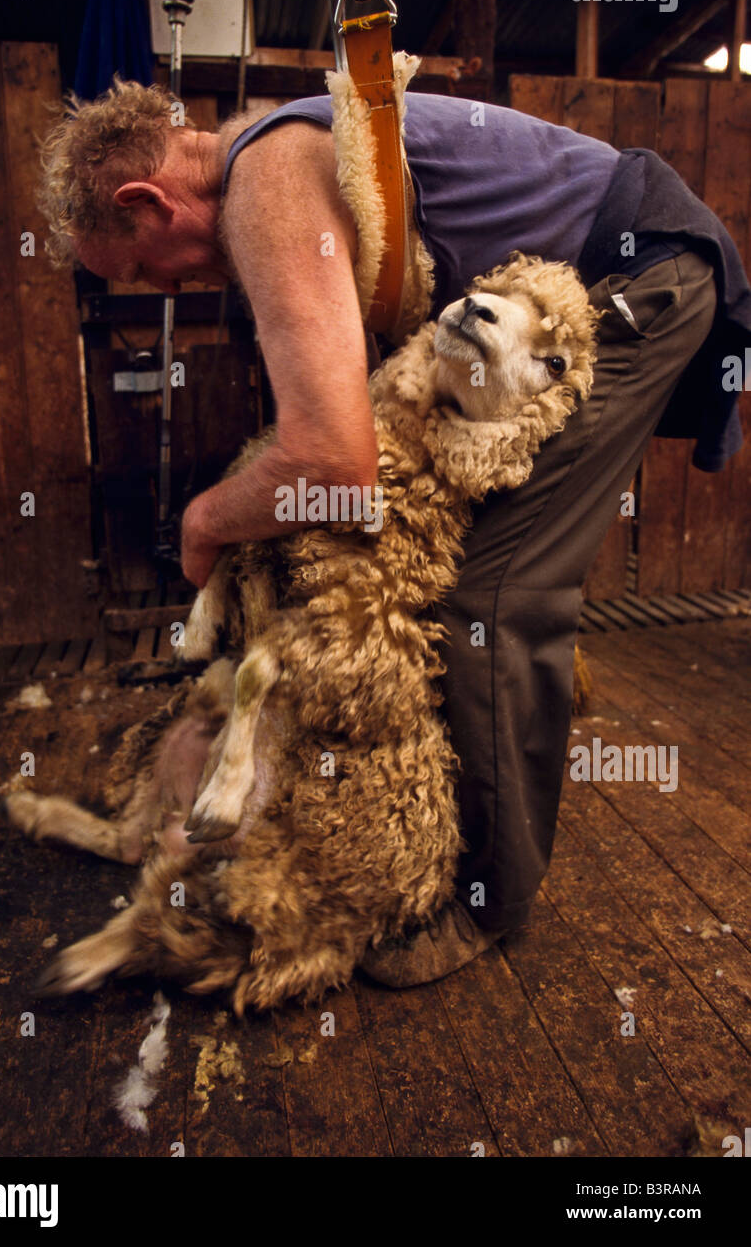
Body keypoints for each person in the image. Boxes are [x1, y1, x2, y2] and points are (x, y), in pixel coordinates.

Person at [38, 78, 751, 987]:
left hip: (634, 282)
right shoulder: (273, 154)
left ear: (149, 201)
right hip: (592, 277)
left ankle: (492, 898)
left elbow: (335, 466)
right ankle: (440, 817)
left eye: (141, 267)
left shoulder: (268, 187)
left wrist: (204, 519)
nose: (162, 286)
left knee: (491, 591)